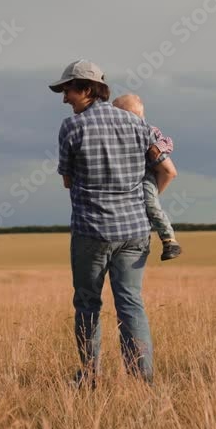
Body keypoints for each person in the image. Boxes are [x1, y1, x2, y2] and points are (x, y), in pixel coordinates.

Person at [49, 60, 177, 385]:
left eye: (68, 91)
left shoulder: (71, 128)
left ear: (87, 90)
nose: (65, 98)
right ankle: (141, 379)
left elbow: (66, 180)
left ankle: (90, 376)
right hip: (135, 232)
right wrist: (146, 198)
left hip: (91, 231)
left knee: (88, 302)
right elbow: (164, 166)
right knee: (131, 304)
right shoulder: (138, 125)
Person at [112, 94, 182, 260]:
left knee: (151, 204)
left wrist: (157, 148)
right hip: (130, 176)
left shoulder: (149, 130)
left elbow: (168, 142)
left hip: (145, 175)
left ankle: (169, 240)